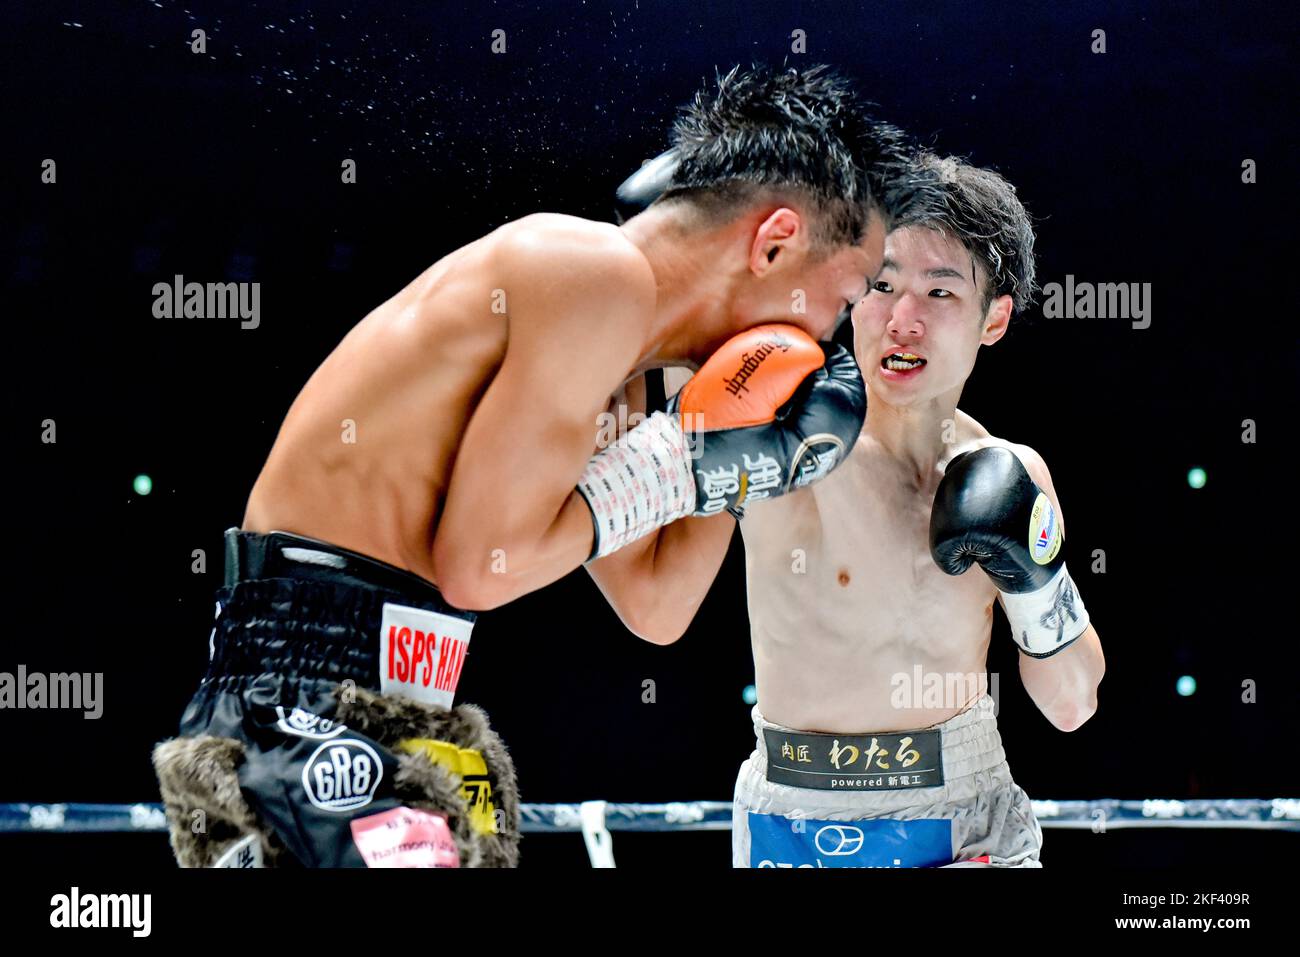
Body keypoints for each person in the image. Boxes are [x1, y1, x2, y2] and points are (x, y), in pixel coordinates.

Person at [152, 64, 928, 867]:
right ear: (774, 241)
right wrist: (673, 464)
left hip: (394, 695)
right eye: (846, 296)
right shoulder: (592, 272)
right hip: (304, 692)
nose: (839, 332)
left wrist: (729, 456)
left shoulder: (620, 360)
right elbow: (480, 568)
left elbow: (656, 607)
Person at [591, 153, 1105, 867]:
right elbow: (655, 603)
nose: (902, 319)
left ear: (995, 318)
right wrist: (660, 259)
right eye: (884, 284)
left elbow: (1073, 704)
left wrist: (1038, 583)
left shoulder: (1012, 473)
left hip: (965, 821)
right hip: (792, 816)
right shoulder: (781, 431)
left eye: (939, 292)